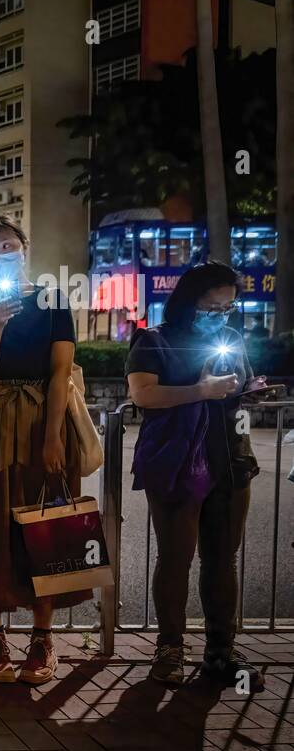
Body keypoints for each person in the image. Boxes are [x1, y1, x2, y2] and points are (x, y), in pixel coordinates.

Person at [0, 216, 88, 686]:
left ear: (25, 248)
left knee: (45, 528)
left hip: (40, 422)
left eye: (9, 244)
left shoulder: (53, 301)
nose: (3, 253)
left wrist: (52, 437)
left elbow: (60, 372)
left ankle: (43, 639)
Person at [126, 261, 266, 690]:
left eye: (227, 308)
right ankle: (169, 649)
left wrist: (251, 391)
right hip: (176, 463)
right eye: (211, 307)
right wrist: (199, 391)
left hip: (230, 459)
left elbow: (237, 390)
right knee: (175, 557)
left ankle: (220, 652)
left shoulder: (231, 339)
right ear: (188, 302)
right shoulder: (155, 340)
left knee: (223, 559)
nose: (219, 316)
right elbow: (143, 393)